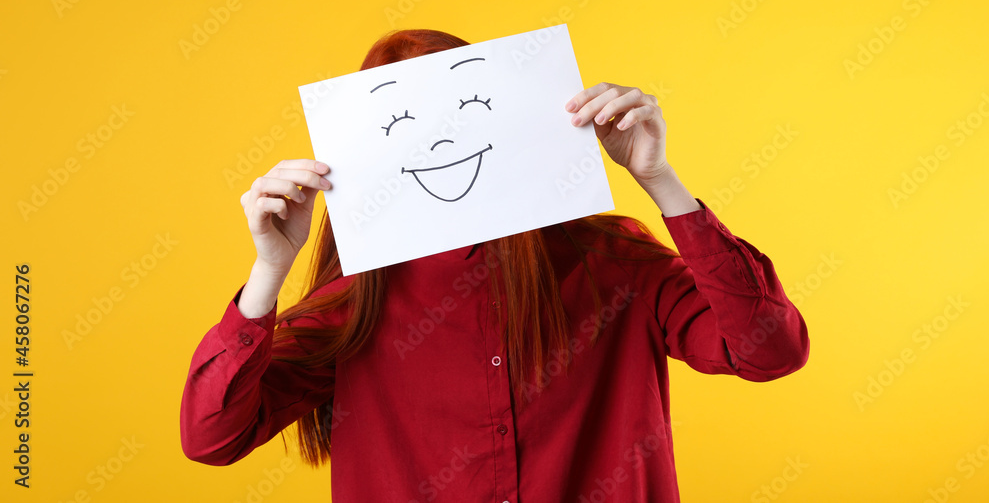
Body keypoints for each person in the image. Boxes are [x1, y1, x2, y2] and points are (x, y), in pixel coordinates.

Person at [179, 29, 809, 502]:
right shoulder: (356, 305)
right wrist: (269, 270)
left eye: (467, 110)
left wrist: (660, 179)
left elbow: (769, 350)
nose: (441, 142)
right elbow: (211, 437)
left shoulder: (612, 263)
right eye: (400, 125)